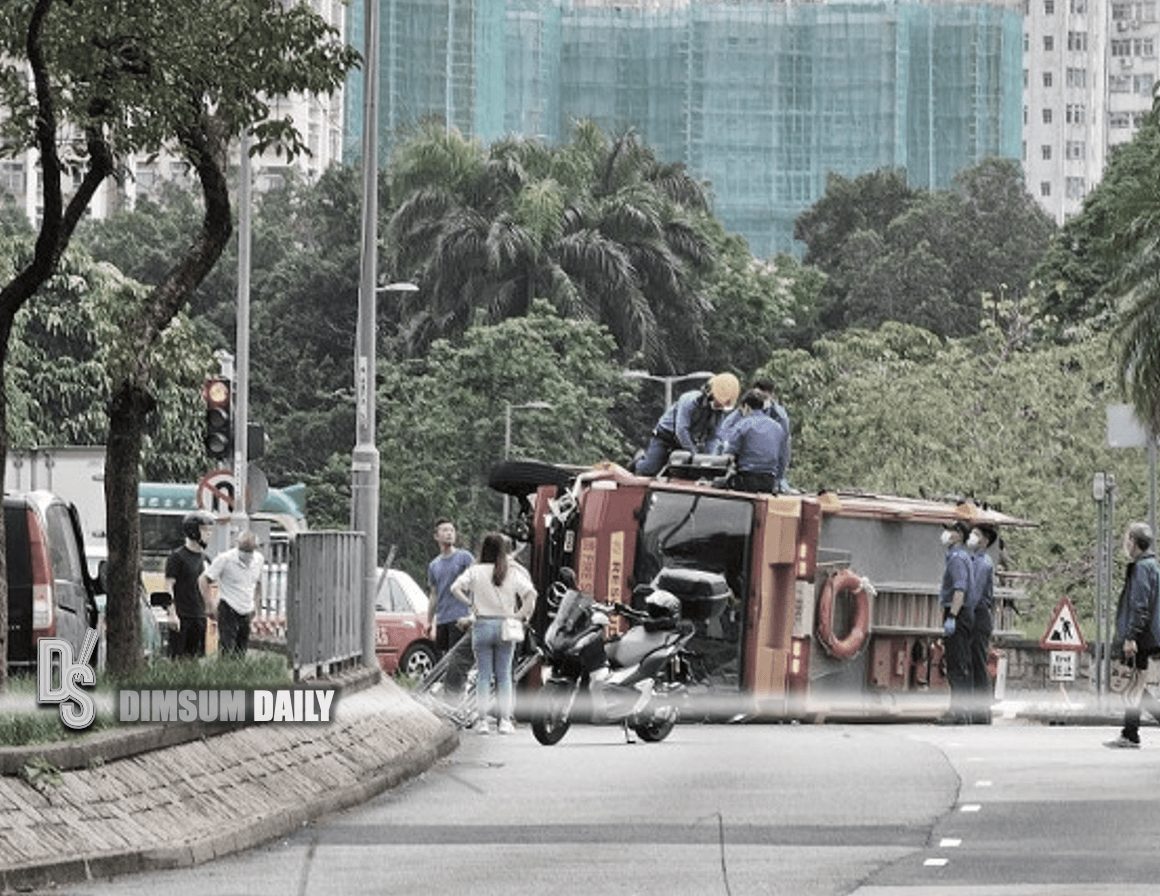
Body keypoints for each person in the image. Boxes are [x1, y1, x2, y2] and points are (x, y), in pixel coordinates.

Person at [450, 531, 537, 735]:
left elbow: (455, 588)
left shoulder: (475, 571)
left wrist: (470, 603)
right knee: (504, 676)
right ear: (503, 551)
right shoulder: (511, 572)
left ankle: (482, 722)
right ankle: (504, 721)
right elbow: (531, 594)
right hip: (505, 627)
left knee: (483, 675)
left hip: (482, 625)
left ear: (484, 549)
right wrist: (519, 616)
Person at [1105, 522, 1160, 749]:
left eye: (1127, 538)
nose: (1125, 543)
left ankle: (1130, 734)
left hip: (1140, 637)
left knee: (1133, 684)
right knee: (1135, 684)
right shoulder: (1152, 565)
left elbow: (1140, 605)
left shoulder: (1142, 568)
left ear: (1134, 542)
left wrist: (1131, 637)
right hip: (1146, 635)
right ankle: (1130, 733)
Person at [632, 372, 740, 476]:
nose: (719, 407)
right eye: (717, 403)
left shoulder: (718, 413)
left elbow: (714, 437)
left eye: (721, 406)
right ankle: (638, 462)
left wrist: (708, 459)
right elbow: (681, 430)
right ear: (709, 394)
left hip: (688, 441)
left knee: (686, 472)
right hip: (666, 436)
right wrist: (694, 454)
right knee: (650, 469)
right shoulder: (689, 401)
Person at [199, 530, 264, 656]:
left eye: (250, 550)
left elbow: (257, 584)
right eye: (243, 549)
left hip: (246, 609)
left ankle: (237, 668)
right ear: (237, 544)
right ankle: (224, 667)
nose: (246, 553)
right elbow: (203, 580)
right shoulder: (225, 559)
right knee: (227, 648)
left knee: (241, 650)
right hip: (228, 607)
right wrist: (209, 605)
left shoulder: (258, 559)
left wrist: (256, 606)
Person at [713, 389, 786, 493]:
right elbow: (782, 458)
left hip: (746, 481)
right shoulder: (778, 427)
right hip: (769, 482)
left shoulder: (743, 424)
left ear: (746, 406)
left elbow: (729, 456)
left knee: (717, 483)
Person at [165, 510, 214, 659]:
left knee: (195, 659)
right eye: (205, 530)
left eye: (210, 530)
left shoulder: (205, 559)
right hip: (182, 616)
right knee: (178, 659)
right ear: (193, 531)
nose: (209, 534)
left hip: (200, 616)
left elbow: (209, 587)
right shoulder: (177, 557)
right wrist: (172, 613)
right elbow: (168, 586)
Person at [938, 519, 973, 724]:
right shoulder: (960, 556)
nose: (946, 534)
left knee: (956, 665)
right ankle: (961, 711)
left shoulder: (957, 559)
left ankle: (958, 712)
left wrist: (952, 616)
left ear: (959, 535)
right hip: (962, 613)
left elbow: (960, 590)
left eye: (950, 530)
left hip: (958, 613)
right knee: (959, 663)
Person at [427, 518, 474, 662]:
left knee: (458, 659)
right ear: (436, 536)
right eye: (445, 530)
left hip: (461, 618)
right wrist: (429, 621)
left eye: (452, 530)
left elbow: (476, 584)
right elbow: (434, 594)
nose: (449, 533)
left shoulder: (465, 557)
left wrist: (473, 612)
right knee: (443, 660)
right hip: (442, 619)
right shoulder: (434, 565)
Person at [965, 523, 998, 724]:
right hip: (976, 614)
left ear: (985, 541)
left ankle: (982, 713)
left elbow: (974, 594)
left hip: (978, 615)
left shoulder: (982, 563)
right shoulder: (974, 560)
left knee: (977, 663)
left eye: (976, 534)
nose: (972, 537)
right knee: (973, 662)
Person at [752, 378, 792, 491]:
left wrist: (779, 477)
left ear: (770, 395)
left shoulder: (778, 416)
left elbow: (783, 447)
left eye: (762, 397)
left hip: (769, 469)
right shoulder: (748, 409)